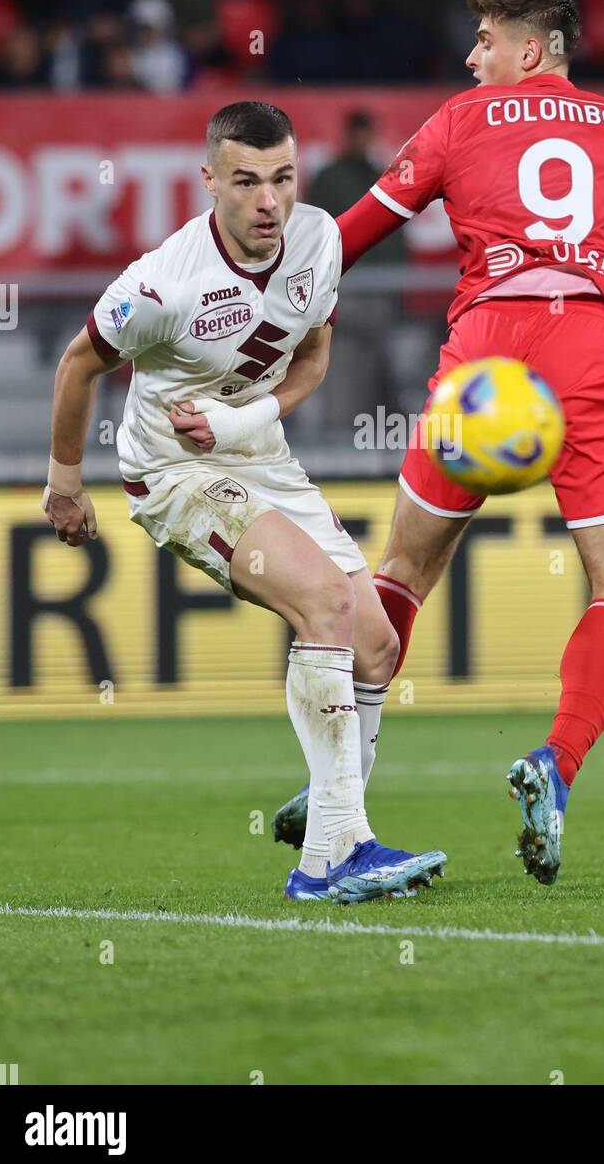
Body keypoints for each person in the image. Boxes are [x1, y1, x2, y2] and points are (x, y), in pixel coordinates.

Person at [273, 0, 604, 888]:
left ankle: (340, 782)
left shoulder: (456, 123)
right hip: (589, 351)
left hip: (483, 359)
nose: (471, 57)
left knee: (402, 573)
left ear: (531, 50)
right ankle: (554, 762)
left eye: (483, 40)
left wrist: (266, 325)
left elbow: (344, 241)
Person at [41, 100, 445, 905]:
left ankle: (337, 807)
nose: (270, 202)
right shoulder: (162, 283)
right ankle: (333, 853)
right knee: (327, 604)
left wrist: (246, 417)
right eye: (248, 182)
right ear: (210, 183)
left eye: (284, 179)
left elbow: (314, 357)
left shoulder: (320, 240)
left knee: (375, 645)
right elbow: (78, 364)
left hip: (262, 459)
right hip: (175, 476)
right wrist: (64, 482)